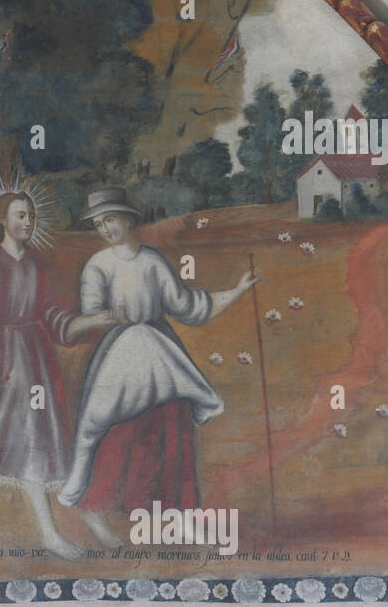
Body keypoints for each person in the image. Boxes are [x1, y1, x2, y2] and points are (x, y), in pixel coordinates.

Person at [57, 187, 259, 547]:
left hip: (162, 357)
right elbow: (90, 316)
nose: (105, 229)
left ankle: (179, 517)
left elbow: (188, 306)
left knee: (172, 429)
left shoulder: (152, 261)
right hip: (119, 357)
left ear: (128, 219)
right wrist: (102, 318)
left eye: (111, 220)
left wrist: (238, 291)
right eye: (99, 223)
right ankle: (97, 508)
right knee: (111, 430)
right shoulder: (98, 266)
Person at [0, 192, 115, 561]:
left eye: (30, 215)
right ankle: (48, 534)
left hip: (35, 358)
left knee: (17, 442)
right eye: (19, 216)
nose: (27, 222)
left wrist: (87, 322)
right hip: (5, 359)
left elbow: (49, 310)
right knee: (24, 442)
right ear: (2, 220)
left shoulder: (32, 262)